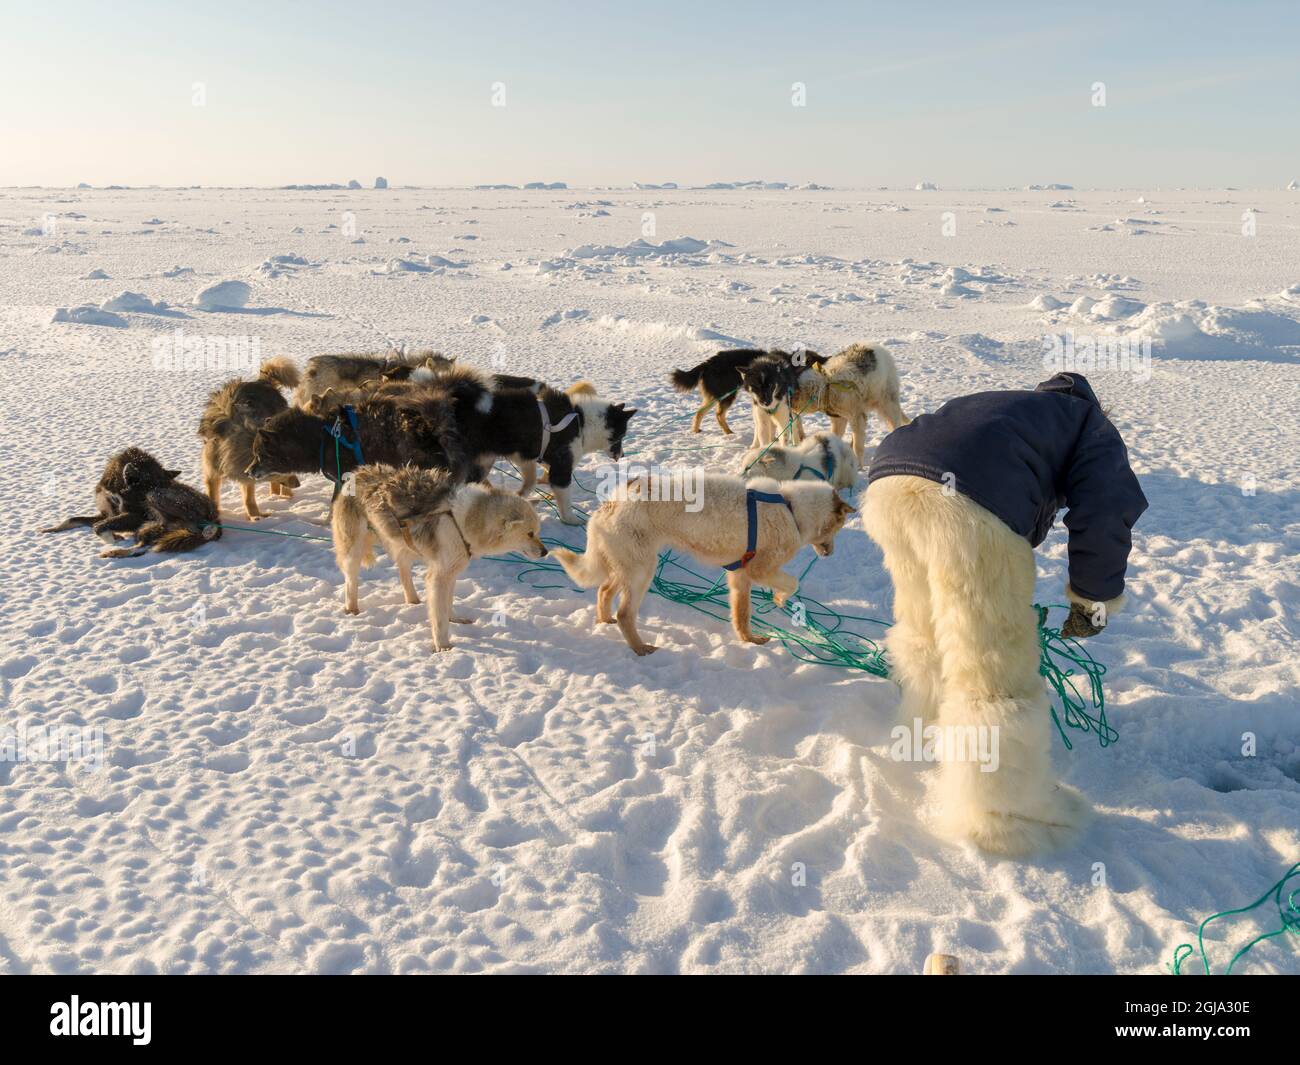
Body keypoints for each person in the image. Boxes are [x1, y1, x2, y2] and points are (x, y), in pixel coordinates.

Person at [863, 372, 1147, 856]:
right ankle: (1002, 814)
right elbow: (1106, 512)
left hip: (889, 483)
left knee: (927, 624)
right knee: (993, 667)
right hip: (968, 507)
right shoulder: (1092, 425)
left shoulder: (1011, 405)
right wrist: (1091, 600)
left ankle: (925, 727)